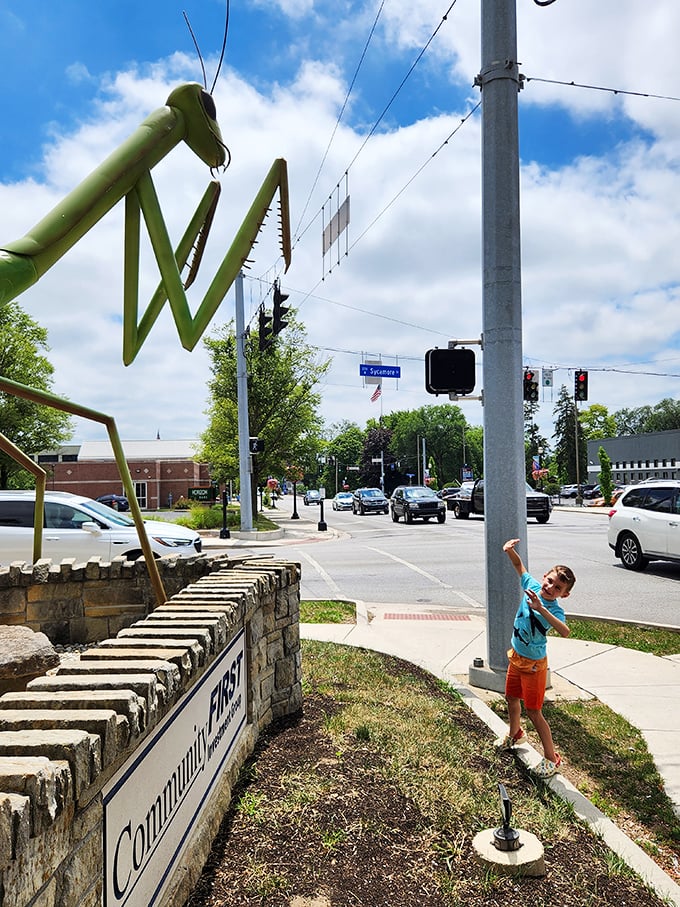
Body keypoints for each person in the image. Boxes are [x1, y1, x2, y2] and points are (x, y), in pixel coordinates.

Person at [497, 537, 576, 779]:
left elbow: (565, 630)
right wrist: (509, 551)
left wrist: (541, 608)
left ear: (564, 594)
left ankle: (551, 758)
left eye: (557, 588)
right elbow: (520, 568)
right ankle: (515, 733)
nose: (551, 587)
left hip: (533, 666)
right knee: (511, 698)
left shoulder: (554, 609)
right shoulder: (531, 584)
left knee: (534, 711)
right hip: (517, 657)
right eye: (550, 581)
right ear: (544, 577)